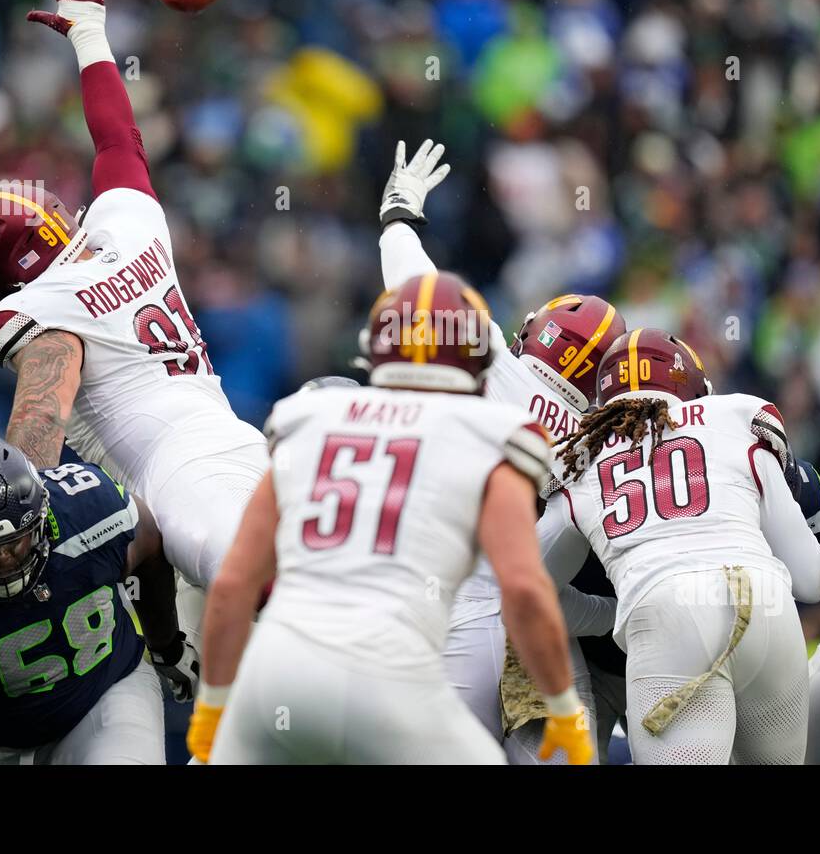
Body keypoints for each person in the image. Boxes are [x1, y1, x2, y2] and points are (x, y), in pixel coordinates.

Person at [0, 0, 267, 631]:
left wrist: (10, 525)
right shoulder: (127, 223)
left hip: (181, 479)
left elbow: (40, 419)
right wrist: (90, 34)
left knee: (275, 604)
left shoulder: (35, 312)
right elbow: (118, 140)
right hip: (236, 439)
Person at [186, 272, 593, 765]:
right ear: (479, 357)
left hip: (277, 676)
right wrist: (563, 706)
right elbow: (526, 592)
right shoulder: (496, 435)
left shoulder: (310, 416)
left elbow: (233, 584)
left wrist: (212, 708)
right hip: (392, 681)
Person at [376, 138, 621, 757]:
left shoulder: (493, 364)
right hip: (519, 625)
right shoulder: (597, 449)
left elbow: (412, 283)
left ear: (538, 335)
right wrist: (618, 616)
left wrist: (400, 214)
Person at [549, 327, 820, 764]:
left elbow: (525, 584)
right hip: (769, 603)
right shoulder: (739, 418)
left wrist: (606, 615)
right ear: (697, 391)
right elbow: (812, 581)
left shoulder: (582, 458)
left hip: (666, 611)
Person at [0, 436, 195, 764]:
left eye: (14, 542)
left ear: (41, 516)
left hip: (104, 696)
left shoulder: (91, 510)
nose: (3, 560)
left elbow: (149, 545)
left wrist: (166, 646)